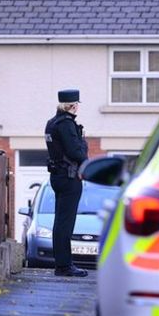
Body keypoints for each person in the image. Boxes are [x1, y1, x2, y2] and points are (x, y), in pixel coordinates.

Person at [44, 88, 90, 277]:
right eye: (77, 104)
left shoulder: (51, 123)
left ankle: (61, 264)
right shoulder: (67, 124)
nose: (78, 107)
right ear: (72, 105)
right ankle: (64, 266)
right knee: (66, 222)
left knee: (60, 221)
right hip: (70, 176)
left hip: (57, 176)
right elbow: (76, 152)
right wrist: (83, 141)